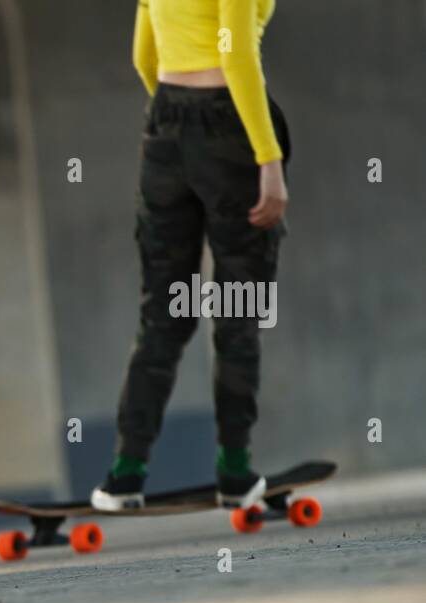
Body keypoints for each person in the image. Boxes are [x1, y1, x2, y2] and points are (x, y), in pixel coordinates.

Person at [92, 0, 289, 512]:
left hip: (165, 128)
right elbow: (238, 54)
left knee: (162, 314)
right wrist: (267, 158)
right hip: (228, 128)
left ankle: (126, 474)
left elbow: (143, 56)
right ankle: (234, 470)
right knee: (237, 307)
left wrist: (175, 126)